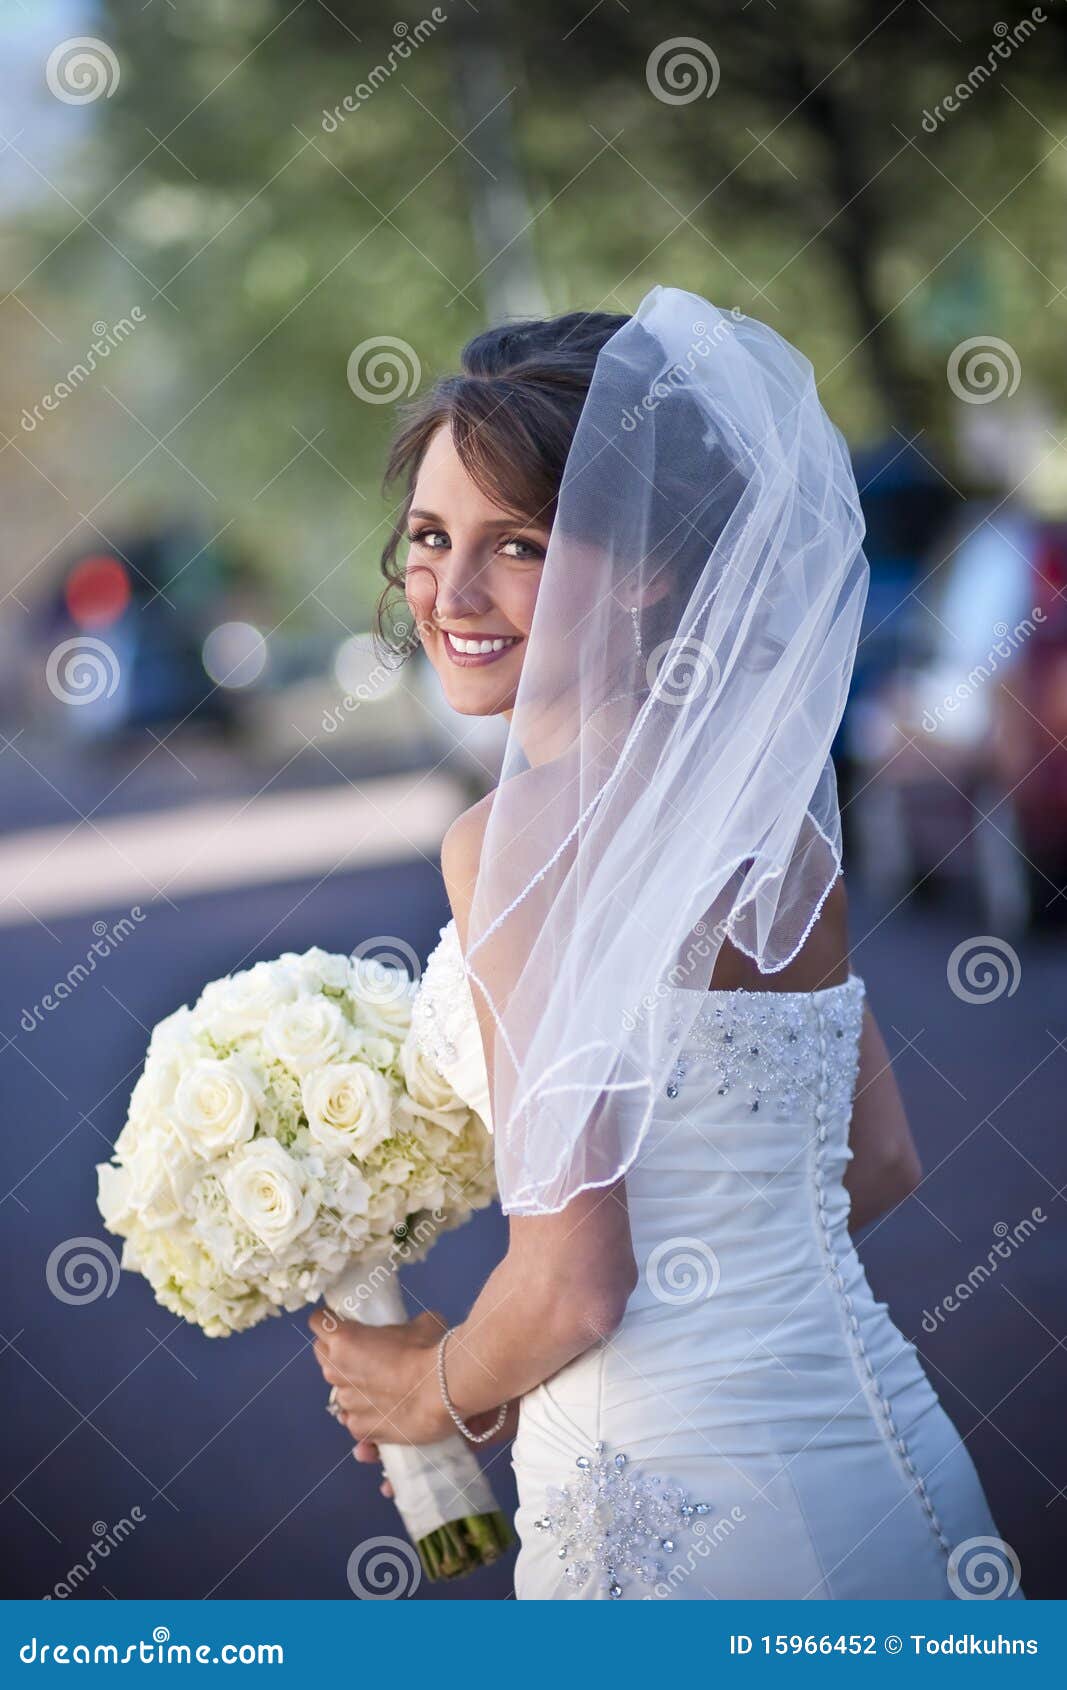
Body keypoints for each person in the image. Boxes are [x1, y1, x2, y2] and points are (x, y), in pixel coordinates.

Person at [310, 288, 1018, 1601]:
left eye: (516, 545)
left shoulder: (509, 847)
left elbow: (576, 1284)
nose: (448, 591)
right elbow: (876, 1158)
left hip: (690, 1523)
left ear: (642, 560)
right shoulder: (775, 827)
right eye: (426, 536)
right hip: (885, 1464)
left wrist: (438, 1386)